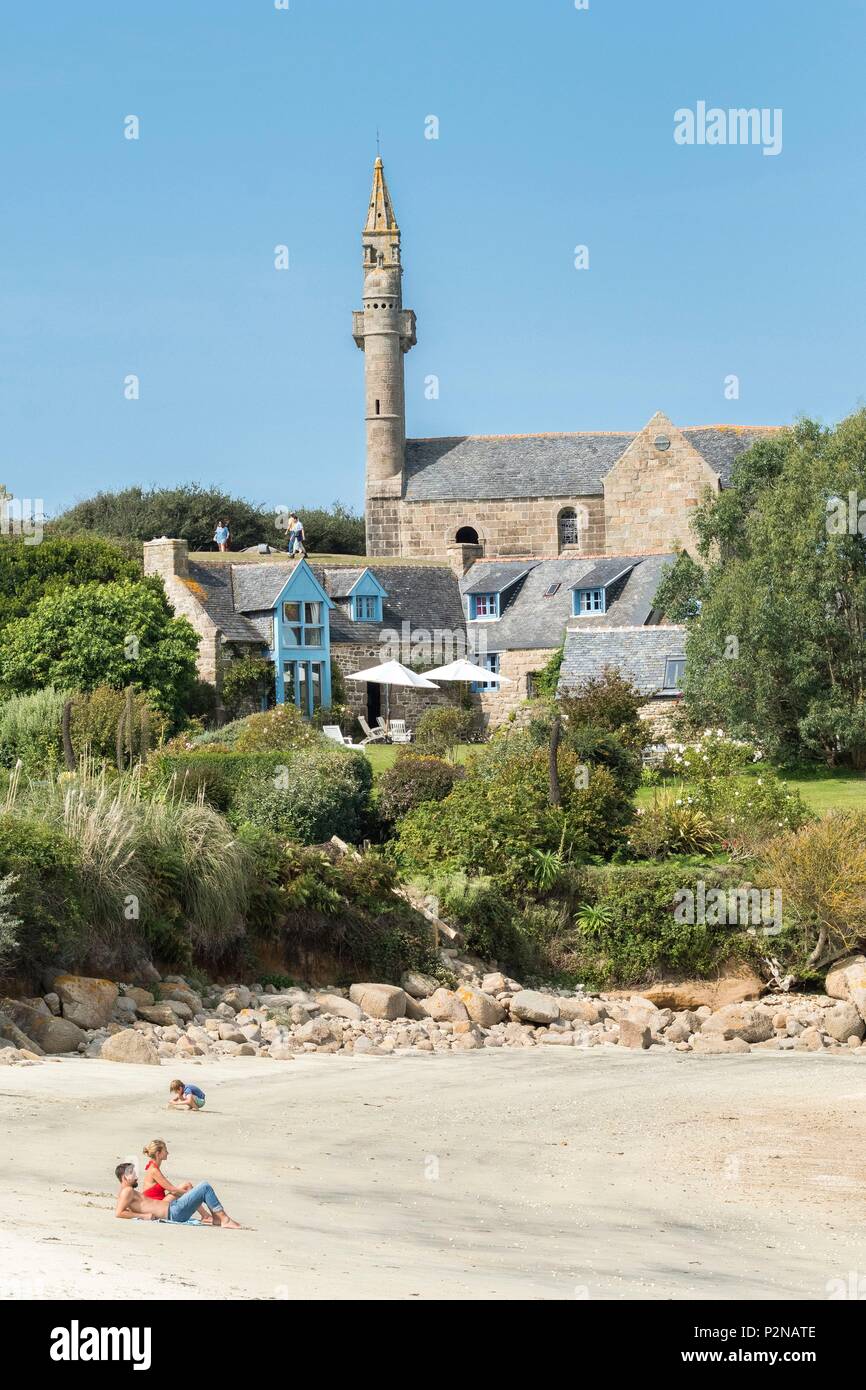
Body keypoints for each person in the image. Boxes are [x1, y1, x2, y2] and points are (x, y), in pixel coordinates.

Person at [114, 1163, 240, 1227]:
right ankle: (224, 1219)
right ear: (125, 1177)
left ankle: (217, 1218)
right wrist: (144, 1216)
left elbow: (123, 1210)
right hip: (174, 1213)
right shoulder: (127, 1191)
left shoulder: (126, 1191)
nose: (136, 1177)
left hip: (172, 1209)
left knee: (197, 1188)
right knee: (205, 1187)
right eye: (132, 1174)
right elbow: (119, 1213)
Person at [141, 1139, 213, 1223]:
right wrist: (192, 1195)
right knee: (187, 1186)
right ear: (158, 1154)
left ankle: (205, 1215)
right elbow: (172, 1190)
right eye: (165, 1150)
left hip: (158, 1203)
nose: (168, 1153)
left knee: (187, 1186)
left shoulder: (152, 1166)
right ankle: (205, 1215)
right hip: (156, 1206)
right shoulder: (154, 1170)